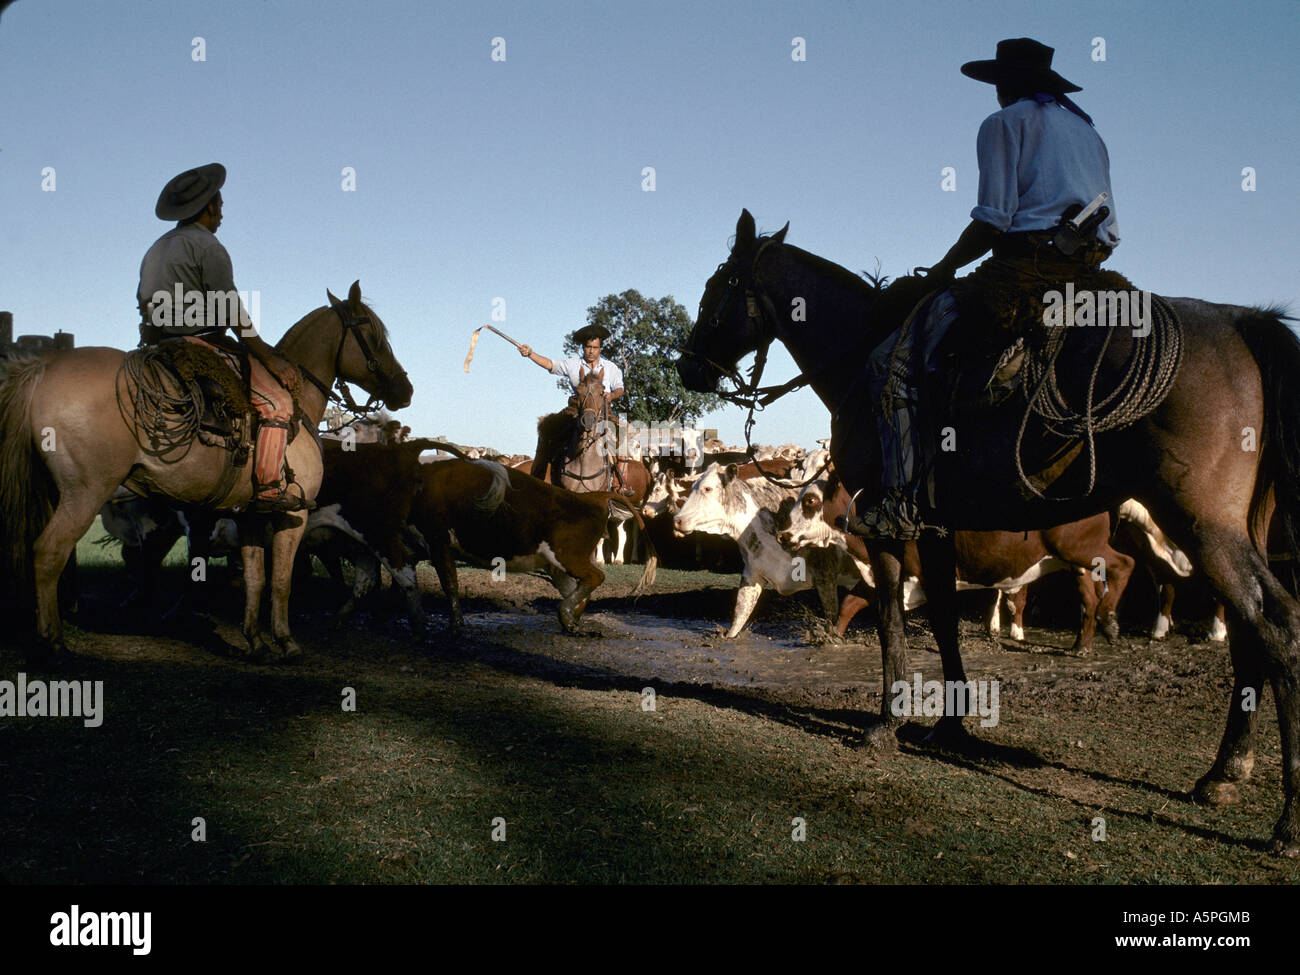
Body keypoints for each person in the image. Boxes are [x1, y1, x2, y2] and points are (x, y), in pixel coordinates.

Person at [847, 37, 1119, 540]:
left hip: (1022, 272)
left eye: (998, 81)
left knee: (889, 364)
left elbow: (993, 221)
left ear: (1006, 83)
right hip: (1090, 271)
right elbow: (1112, 231)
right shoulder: (1089, 132)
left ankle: (903, 505)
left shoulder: (1002, 124)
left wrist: (943, 270)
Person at [137, 163, 308, 513]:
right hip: (198, 342)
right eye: (221, 208)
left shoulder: (156, 246)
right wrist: (268, 356)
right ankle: (269, 490)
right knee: (277, 403)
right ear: (209, 208)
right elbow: (229, 309)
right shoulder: (208, 245)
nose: (222, 216)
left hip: (155, 343)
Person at [519, 324, 625, 479]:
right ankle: (538, 477)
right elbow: (550, 364)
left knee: (623, 436)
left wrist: (612, 396)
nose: (591, 351)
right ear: (583, 348)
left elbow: (619, 388)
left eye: (595, 347)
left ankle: (621, 482)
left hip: (603, 410)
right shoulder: (572, 364)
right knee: (546, 428)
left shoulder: (611, 367)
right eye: (588, 347)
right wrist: (531, 354)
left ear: (600, 348)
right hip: (576, 409)